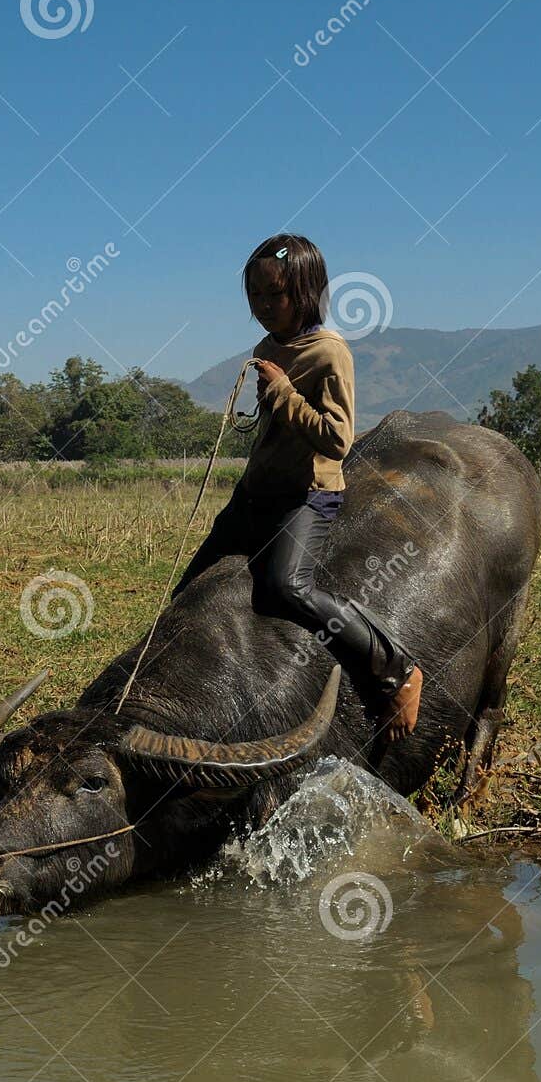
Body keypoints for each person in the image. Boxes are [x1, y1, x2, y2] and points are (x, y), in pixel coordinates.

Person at [173, 232, 422, 742]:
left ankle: (397, 669)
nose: (264, 306)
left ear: (306, 292)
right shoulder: (268, 347)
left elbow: (337, 438)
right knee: (187, 593)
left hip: (307, 495)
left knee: (289, 587)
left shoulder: (329, 352)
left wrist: (284, 393)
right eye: (255, 297)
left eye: (276, 295)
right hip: (256, 493)